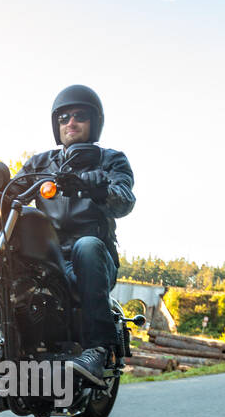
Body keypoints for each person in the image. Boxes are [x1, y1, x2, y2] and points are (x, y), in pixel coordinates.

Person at [15, 84, 136, 385]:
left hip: (93, 259)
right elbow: (11, 192)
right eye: (64, 116)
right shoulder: (39, 163)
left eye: (80, 115)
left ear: (94, 122)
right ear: (57, 125)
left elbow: (124, 200)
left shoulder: (111, 161)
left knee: (87, 245)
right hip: (49, 261)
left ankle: (97, 349)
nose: (71, 122)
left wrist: (98, 188)